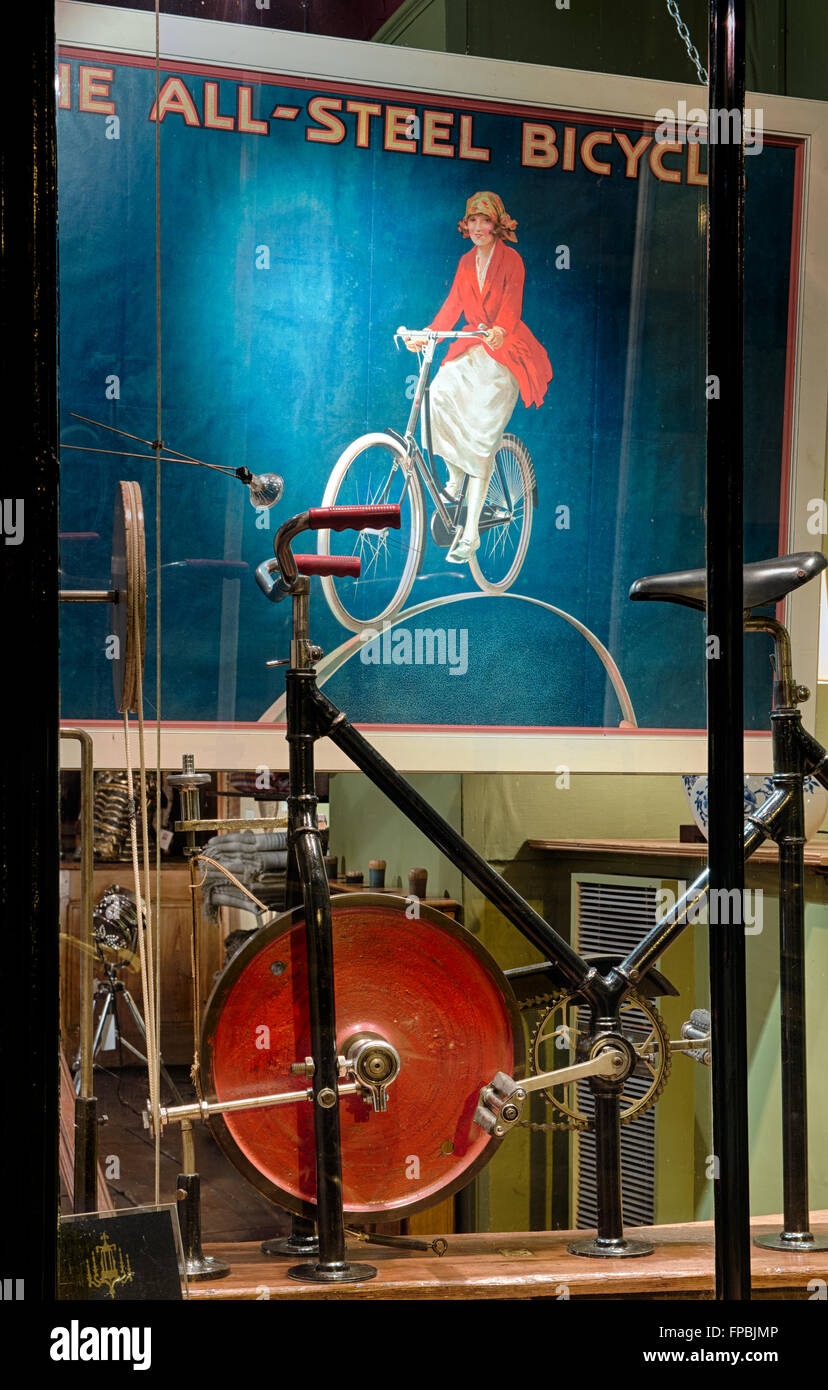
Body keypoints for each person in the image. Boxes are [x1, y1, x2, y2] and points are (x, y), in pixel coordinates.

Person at [405, 192, 552, 562]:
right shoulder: (465, 262)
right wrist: (427, 334)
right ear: (466, 225)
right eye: (472, 221)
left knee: (481, 434)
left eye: (485, 221)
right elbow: (452, 307)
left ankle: (470, 534)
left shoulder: (512, 260)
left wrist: (500, 329)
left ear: (497, 224)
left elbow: (511, 308)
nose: (478, 228)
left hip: (504, 353)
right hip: (473, 346)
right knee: (437, 393)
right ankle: (455, 476)